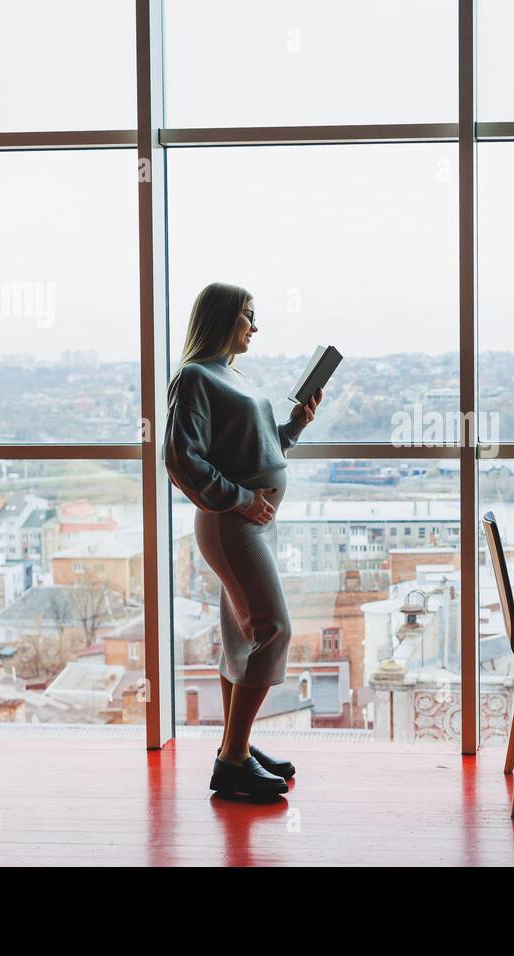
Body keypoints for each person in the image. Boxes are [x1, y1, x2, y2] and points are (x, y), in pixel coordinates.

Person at [162, 282, 322, 797]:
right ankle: (232, 760)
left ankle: (238, 748)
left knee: (241, 637)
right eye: (248, 316)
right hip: (233, 522)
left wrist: (294, 427)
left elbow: (257, 447)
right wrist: (242, 499)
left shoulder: (233, 375)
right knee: (273, 628)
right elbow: (181, 459)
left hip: (254, 521)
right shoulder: (194, 378)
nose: (255, 326)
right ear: (222, 318)